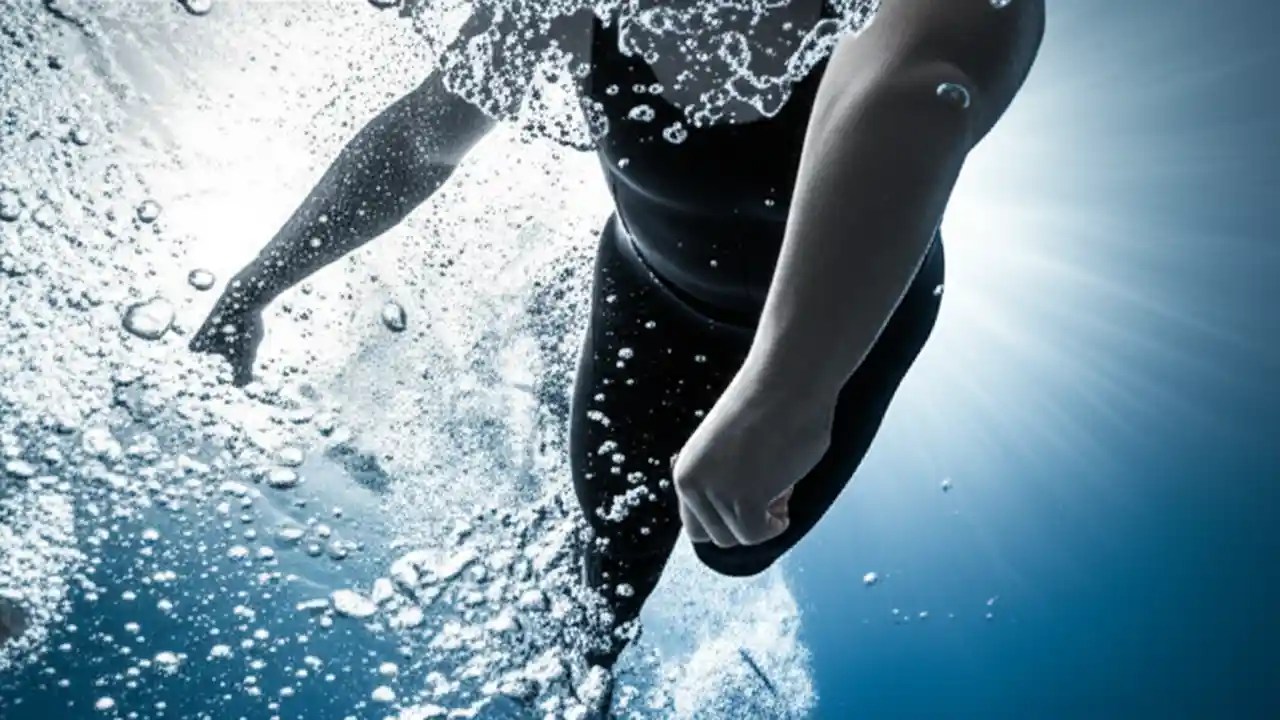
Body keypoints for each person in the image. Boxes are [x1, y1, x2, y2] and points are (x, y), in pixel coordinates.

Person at [191, 0, 1044, 699]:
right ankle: (563, 693)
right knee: (609, 571)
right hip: (649, 296)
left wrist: (790, 385)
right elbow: (419, 140)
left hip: (861, 322)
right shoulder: (562, 10)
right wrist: (252, 288)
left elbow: (926, 80)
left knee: (734, 548)